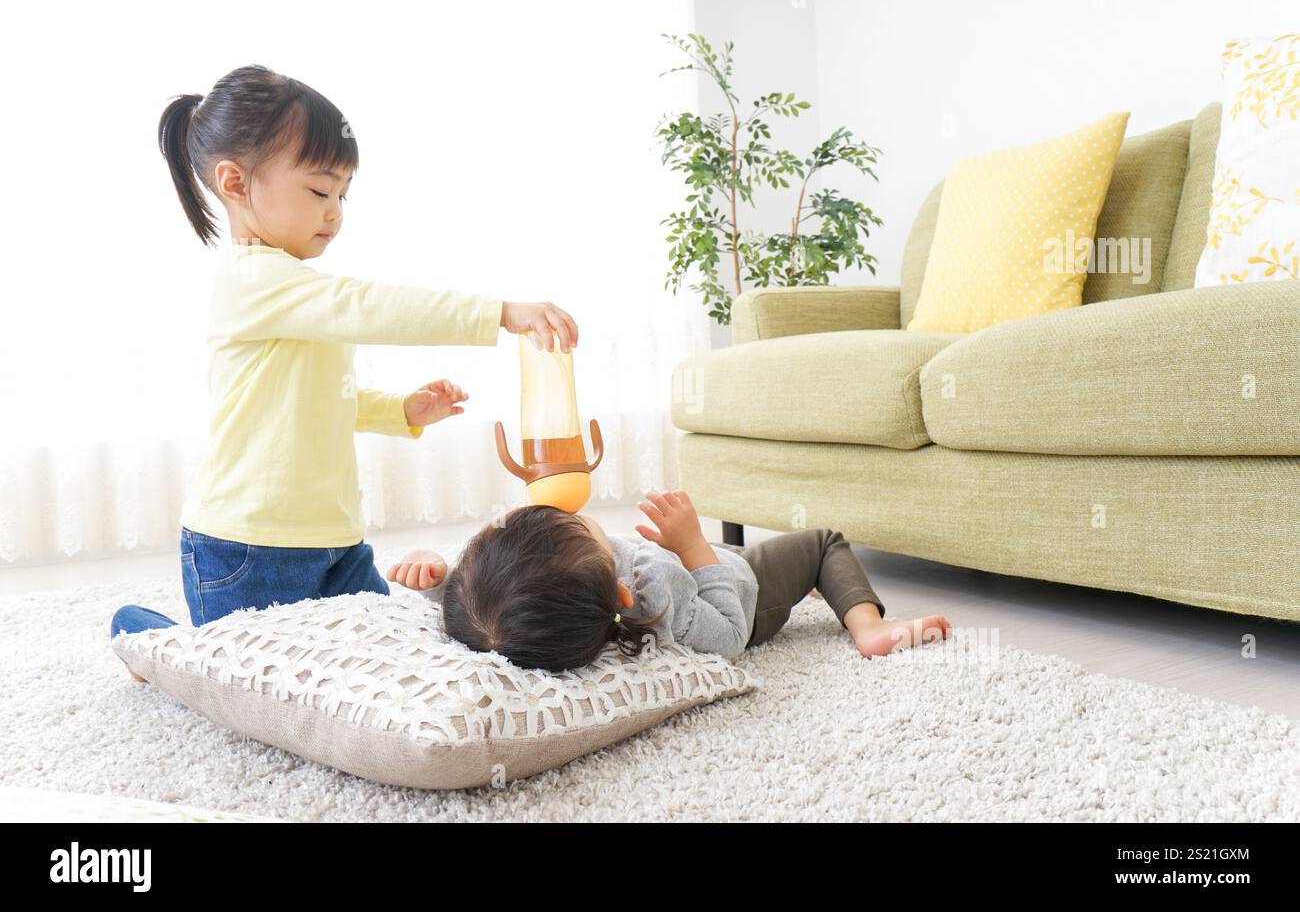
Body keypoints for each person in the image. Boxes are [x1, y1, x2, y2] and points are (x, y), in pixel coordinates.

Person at [109, 64, 577, 661]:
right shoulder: (252, 281)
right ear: (234, 182)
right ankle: (147, 638)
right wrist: (500, 313)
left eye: (342, 194)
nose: (335, 213)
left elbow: (321, 398)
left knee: (383, 656)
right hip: (248, 546)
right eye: (318, 191)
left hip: (336, 540)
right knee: (253, 680)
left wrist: (401, 410)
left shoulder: (294, 291)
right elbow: (371, 306)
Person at [389, 489, 952, 673]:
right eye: (581, 527)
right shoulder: (659, 588)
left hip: (696, 565)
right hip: (741, 588)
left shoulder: (508, 606)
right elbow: (730, 632)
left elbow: (488, 603)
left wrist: (436, 577)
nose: (580, 516)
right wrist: (690, 546)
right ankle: (868, 628)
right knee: (822, 544)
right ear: (621, 594)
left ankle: (808, 586)